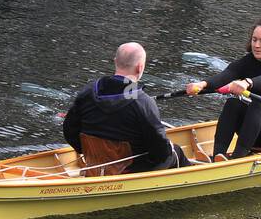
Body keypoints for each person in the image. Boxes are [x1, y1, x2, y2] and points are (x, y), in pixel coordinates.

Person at [63, 42, 190, 175]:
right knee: (174, 151)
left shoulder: (87, 92)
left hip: (94, 164)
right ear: (140, 67)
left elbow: (69, 130)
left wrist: (89, 152)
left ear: (115, 61)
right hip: (128, 171)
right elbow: (161, 151)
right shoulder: (143, 102)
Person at [186, 13, 261, 159]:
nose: (256, 45)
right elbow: (226, 75)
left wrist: (247, 82)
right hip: (255, 131)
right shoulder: (248, 61)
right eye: (254, 40)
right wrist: (201, 84)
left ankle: (237, 159)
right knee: (233, 103)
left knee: (259, 103)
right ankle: (218, 156)